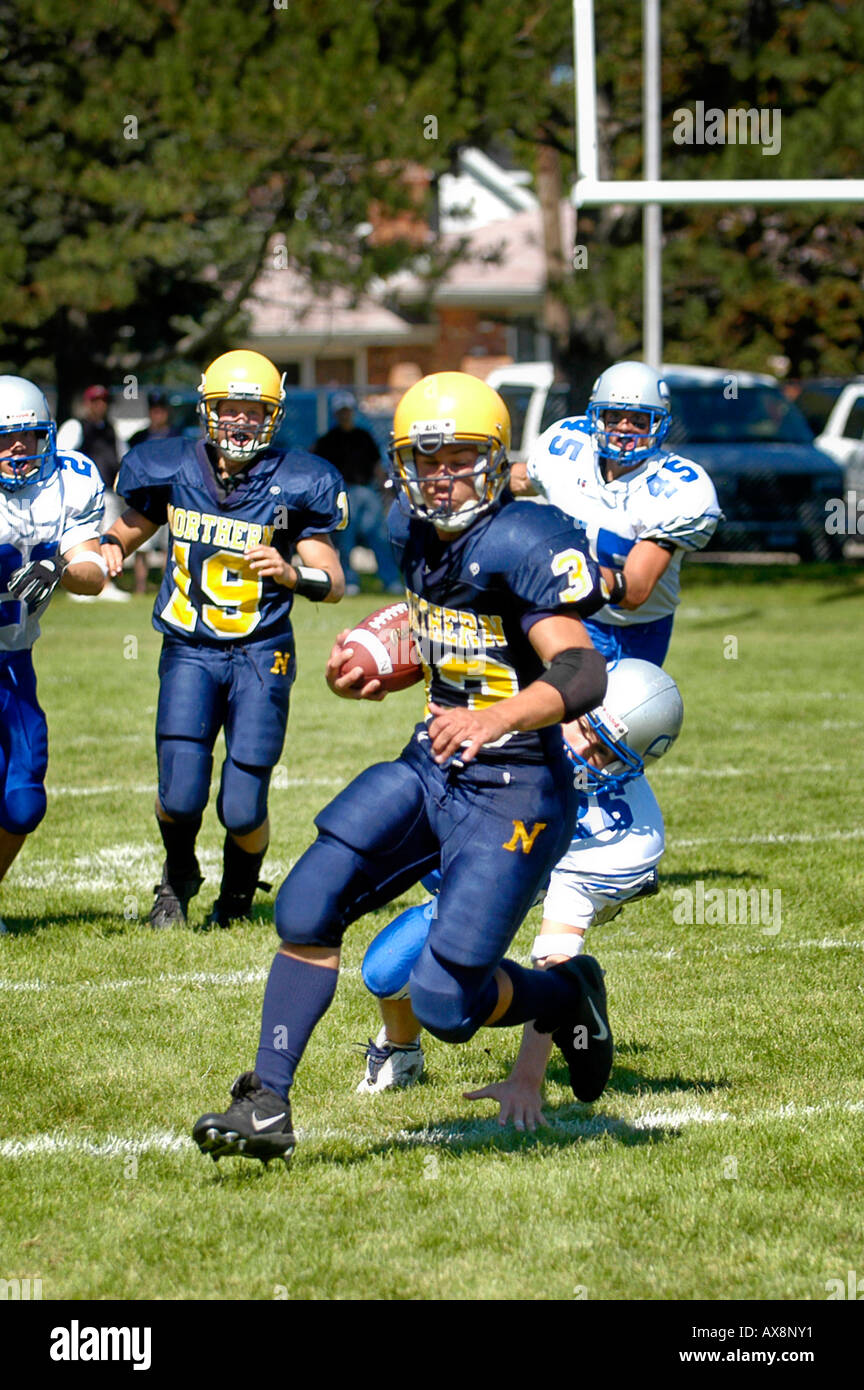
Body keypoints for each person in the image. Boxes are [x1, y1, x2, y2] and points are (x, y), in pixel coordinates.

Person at [192, 370, 615, 1168]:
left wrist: (496, 716)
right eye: (428, 460)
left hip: (517, 788)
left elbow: (581, 673)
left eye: (461, 457)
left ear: (494, 461)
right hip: (432, 765)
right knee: (309, 902)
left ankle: (566, 995)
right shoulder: (406, 529)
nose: (444, 475)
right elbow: (454, 637)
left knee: (446, 1003)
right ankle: (267, 1102)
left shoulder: (527, 539)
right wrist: (388, 659)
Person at [355, 660, 682, 1124]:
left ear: (632, 766)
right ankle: (402, 1051)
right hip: (502, 832)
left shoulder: (620, 839)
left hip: (555, 860)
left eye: (604, 753)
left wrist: (527, 1078)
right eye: (583, 726)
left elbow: (553, 964)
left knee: (455, 994)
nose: (579, 750)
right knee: (386, 972)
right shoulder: (519, 708)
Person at [99, 349, 347, 930]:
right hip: (189, 647)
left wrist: (292, 573)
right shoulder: (172, 469)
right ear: (208, 410)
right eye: (228, 409)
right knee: (181, 793)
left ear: (274, 416)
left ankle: (236, 895)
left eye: (253, 410)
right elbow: (122, 533)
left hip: (262, 651)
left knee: (241, 805)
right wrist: (107, 547)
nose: (239, 421)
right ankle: (178, 874)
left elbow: (333, 581)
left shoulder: (297, 481)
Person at [510, 362, 721, 666]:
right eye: (614, 417)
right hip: (568, 613)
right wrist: (479, 480)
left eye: (639, 420)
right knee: (557, 704)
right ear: (597, 417)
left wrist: (567, 574)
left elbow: (635, 590)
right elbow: (522, 479)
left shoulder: (678, 487)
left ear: (658, 425)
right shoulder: (567, 449)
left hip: (636, 630)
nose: (624, 429)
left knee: (624, 713)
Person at [0, 376, 109, 930]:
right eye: (4, 440)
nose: (17, 451)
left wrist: (62, 567)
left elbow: (92, 571)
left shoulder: (69, 481)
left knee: (23, 802)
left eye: (28, 438)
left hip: (14, 660)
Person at [313, 389, 403, 596]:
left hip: (367, 492)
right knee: (346, 539)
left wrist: (385, 490)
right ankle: (349, 580)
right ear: (336, 413)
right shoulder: (328, 439)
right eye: (341, 411)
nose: (345, 415)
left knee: (380, 536)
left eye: (348, 410)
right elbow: (320, 469)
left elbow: (377, 465)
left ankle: (390, 580)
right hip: (343, 494)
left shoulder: (364, 436)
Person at [57, 384, 128, 602]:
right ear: (88, 403)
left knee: (106, 538)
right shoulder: (75, 426)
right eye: (96, 401)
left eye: (104, 401)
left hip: (107, 492)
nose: (101, 406)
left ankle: (105, 584)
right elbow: (60, 455)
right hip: (80, 497)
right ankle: (77, 584)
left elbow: (121, 456)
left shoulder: (111, 428)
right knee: (81, 538)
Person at [124, 391, 180, 594]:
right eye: (154, 410)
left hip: (170, 496)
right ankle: (140, 587)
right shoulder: (139, 438)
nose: (157, 414)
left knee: (169, 545)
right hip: (145, 498)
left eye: (161, 410)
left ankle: (168, 586)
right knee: (142, 547)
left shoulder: (177, 436)